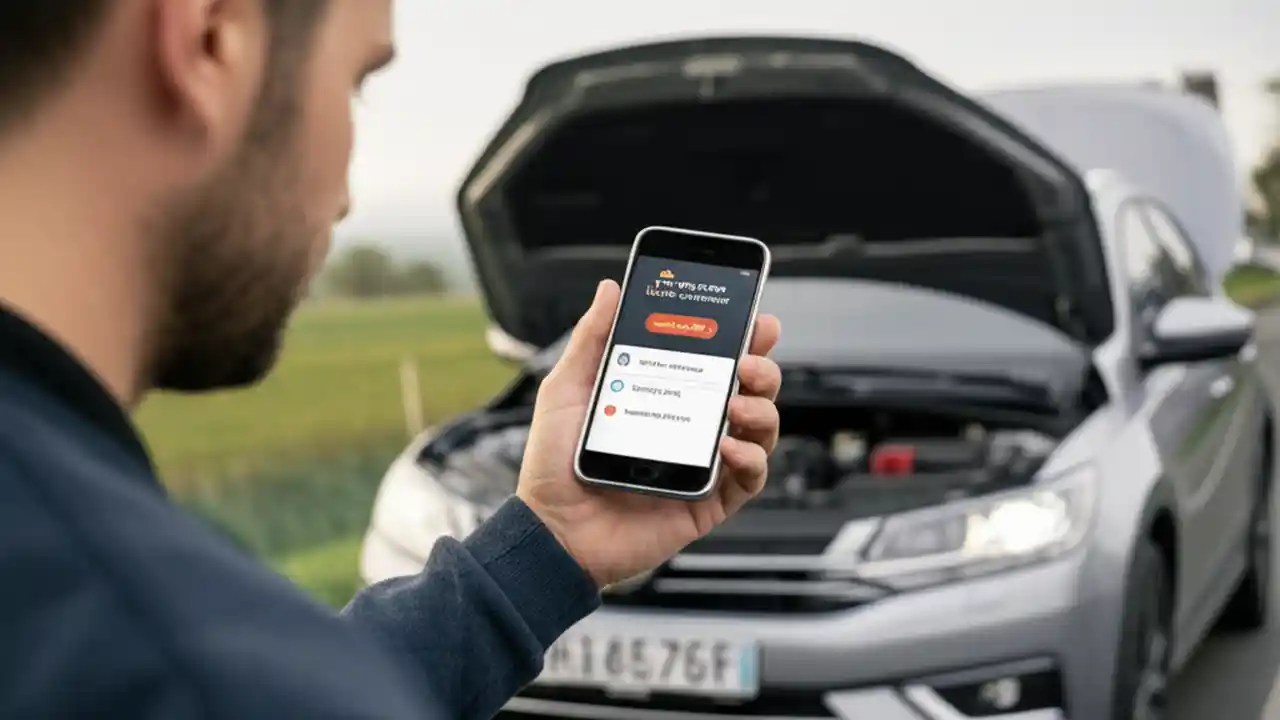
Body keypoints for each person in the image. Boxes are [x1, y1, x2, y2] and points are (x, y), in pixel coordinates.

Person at [0, 1, 783, 718]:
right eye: (356, 82)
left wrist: (550, 547)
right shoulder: (163, 659)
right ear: (210, 38)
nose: (343, 195)